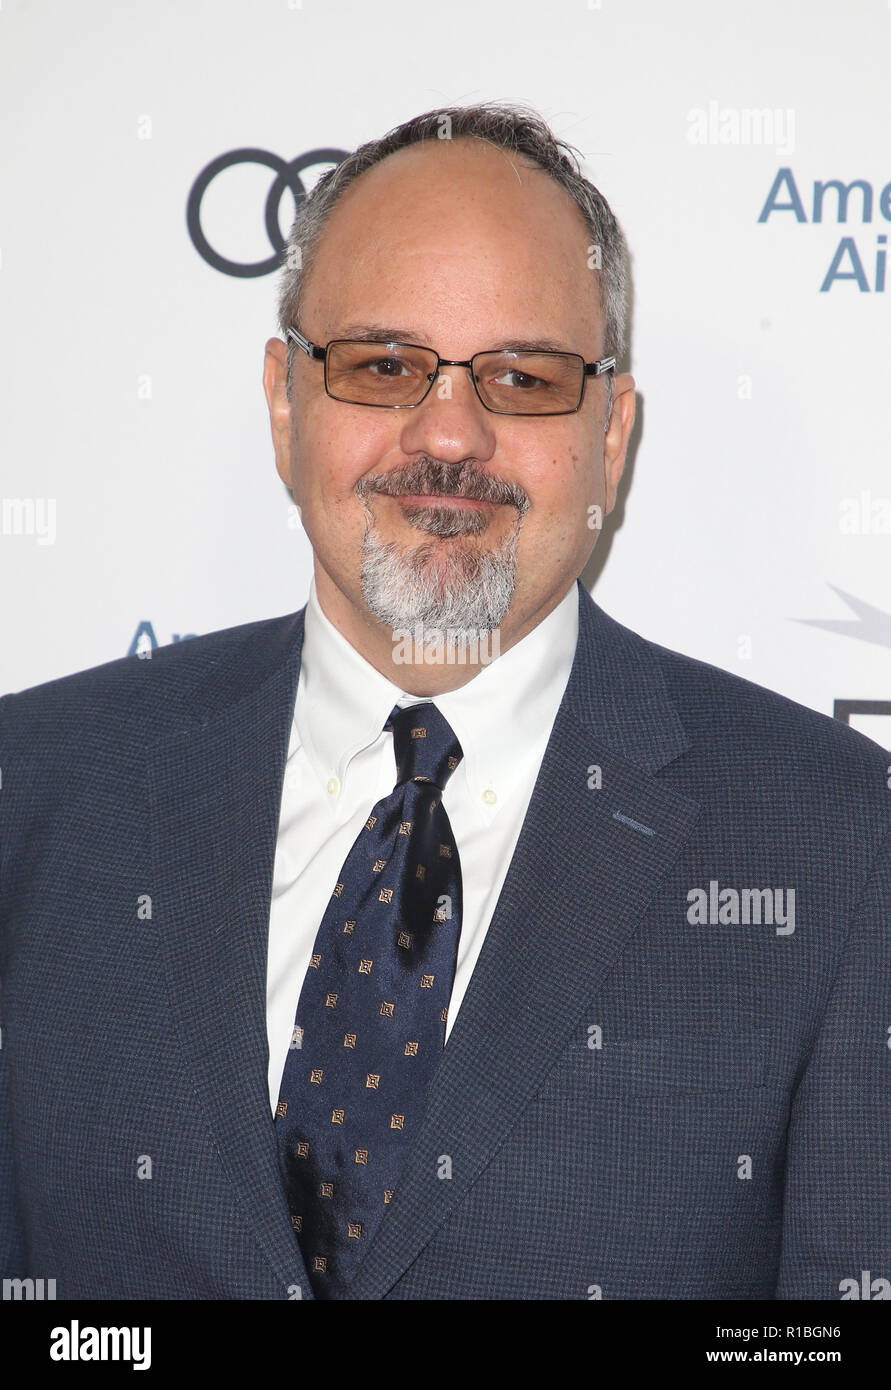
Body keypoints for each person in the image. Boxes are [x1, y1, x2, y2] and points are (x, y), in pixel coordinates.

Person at [1, 102, 888, 1301]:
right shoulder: (39, 792)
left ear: (612, 436)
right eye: (383, 365)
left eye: (524, 376)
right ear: (284, 401)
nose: (451, 434)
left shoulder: (838, 840)